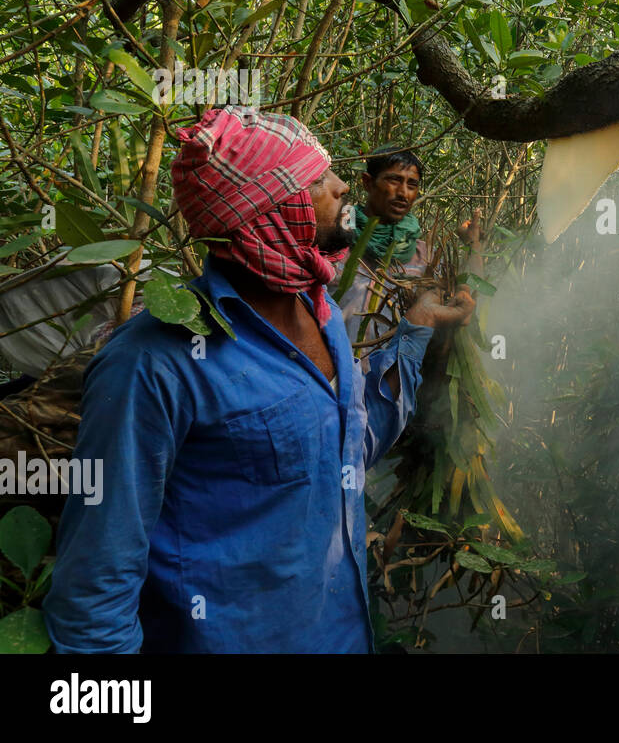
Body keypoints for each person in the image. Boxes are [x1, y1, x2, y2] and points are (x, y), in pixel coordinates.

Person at [42, 107, 473, 653]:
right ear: (272, 210)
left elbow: (345, 452)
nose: (342, 187)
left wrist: (414, 332)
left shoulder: (321, 316)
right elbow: (94, 591)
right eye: (318, 180)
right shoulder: (152, 364)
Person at [331, 147, 479, 366]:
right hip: (332, 379)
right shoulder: (335, 241)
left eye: (412, 185)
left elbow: (465, 304)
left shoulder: (424, 257)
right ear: (367, 182)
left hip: (392, 384)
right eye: (394, 180)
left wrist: (473, 244)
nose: (403, 193)